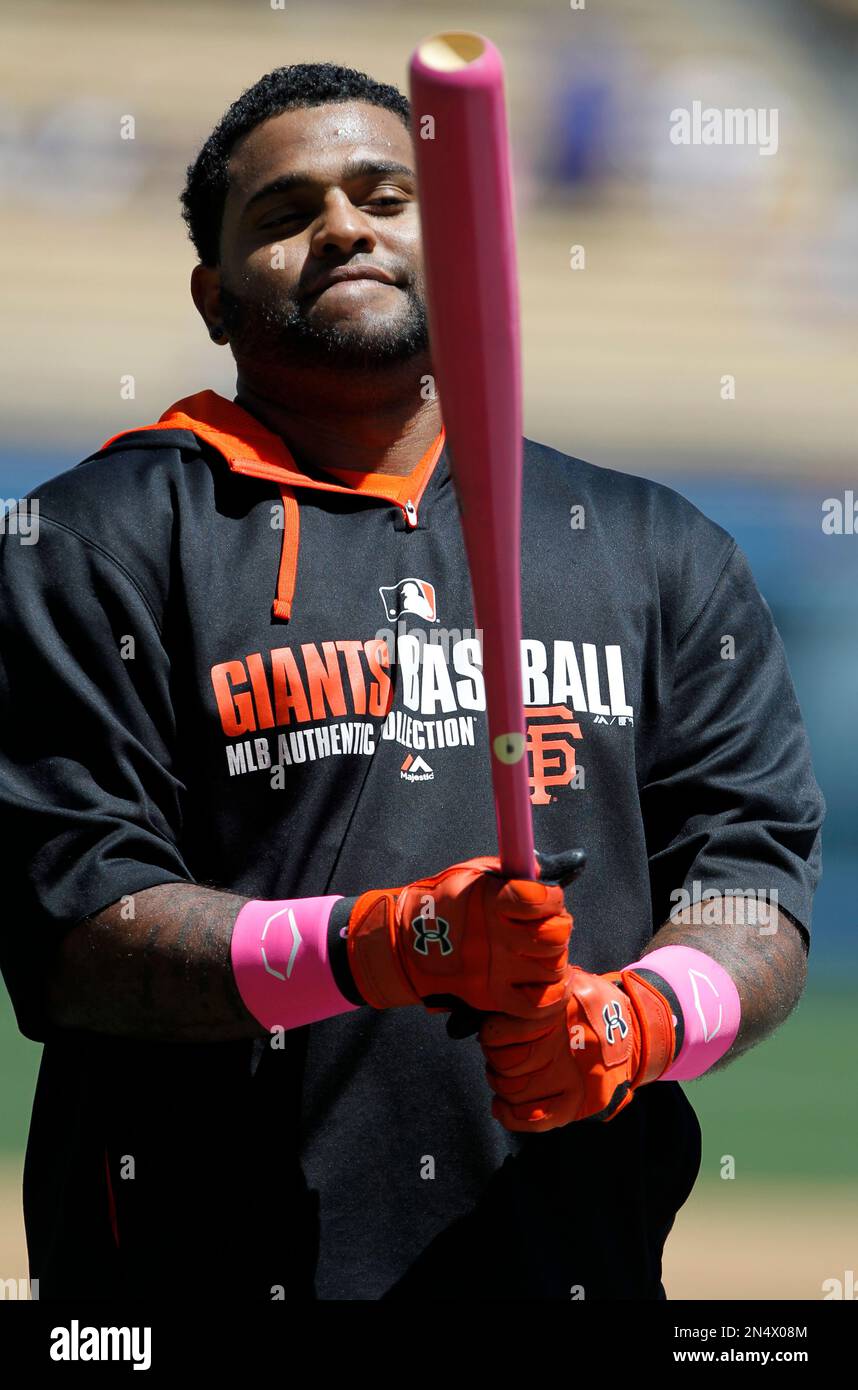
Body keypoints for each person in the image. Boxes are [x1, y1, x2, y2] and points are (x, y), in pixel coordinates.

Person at [0, 63, 824, 1301]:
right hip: (191, 1283)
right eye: (285, 214)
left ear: (476, 254)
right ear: (212, 299)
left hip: (563, 1275)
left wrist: (633, 1022)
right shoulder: (90, 539)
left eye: (390, 195)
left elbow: (750, 885)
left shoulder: (656, 546)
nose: (345, 225)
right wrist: (389, 942)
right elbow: (77, 934)